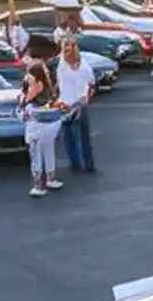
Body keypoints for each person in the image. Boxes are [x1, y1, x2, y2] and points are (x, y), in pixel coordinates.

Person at [19, 62, 66, 198]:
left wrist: (24, 92)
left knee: (36, 155)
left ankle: (38, 185)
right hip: (49, 124)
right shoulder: (48, 87)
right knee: (49, 151)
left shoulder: (36, 85)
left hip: (36, 125)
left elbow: (26, 101)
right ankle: (51, 179)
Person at [56, 38, 96, 173]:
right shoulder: (83, 64)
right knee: (84, 136)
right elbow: (91, 81)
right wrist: (88, 95)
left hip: (66, 103)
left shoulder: (62, 64)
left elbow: (60, 82)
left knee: (69, 136)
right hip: (80, 102)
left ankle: (75, 163)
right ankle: (88, 163)